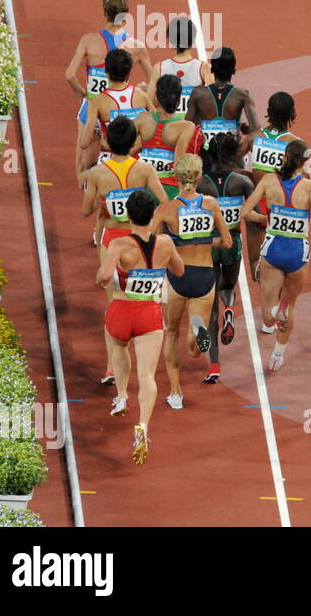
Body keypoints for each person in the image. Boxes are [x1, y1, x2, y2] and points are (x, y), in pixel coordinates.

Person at [94, 190, 185, 465]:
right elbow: (179, 271)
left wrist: (102, 278)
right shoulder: (166, 243)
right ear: (153, 214)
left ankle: (121, 396)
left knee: (119, 347)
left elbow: (104, 275)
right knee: (147, 374)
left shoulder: (120, 244)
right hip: (150, 313)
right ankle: (143, 426)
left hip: (122, 309)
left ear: (128, 215)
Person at [81, 116, 168, 386]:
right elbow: (164, 202)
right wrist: (151, 227)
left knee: (115, 302)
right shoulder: (144, 169)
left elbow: (86, 210)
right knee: (146, 297)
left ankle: (112, 367)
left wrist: (103, 199)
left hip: (112, 241)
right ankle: (147, 361)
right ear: (133, 143)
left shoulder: (97, 173)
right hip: (140, 241)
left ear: (107, 141)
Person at [151, 154, 232, 408]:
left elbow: (150, 244)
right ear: (199, 177)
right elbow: (228, 243)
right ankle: (198, 332)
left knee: (171, 333)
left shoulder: (165, 209)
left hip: (176, 277)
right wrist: (207, 241)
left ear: (175, 177)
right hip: (205, 277)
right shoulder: (211, 204)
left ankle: (175, 393)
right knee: (193, 349)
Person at [243, 140, 311, 372]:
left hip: (273, 249)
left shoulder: (269, 180)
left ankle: (273, 314)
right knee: (291, 306)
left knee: (269, 318)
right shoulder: (310, 187)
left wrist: (265, 219)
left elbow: (245, 213)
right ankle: (279, 353)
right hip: (298, 252)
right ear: (305, 161)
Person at [63, 0, 154, 173]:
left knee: (84, 167)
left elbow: (69, 75)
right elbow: (154, 81)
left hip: (92, 107)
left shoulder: (89, 40)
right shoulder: (136, 46)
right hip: (121, 111)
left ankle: (90, 197)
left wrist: (83, 94)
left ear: (104, 13)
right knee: (122, 161)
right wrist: (143, 89)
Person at [197, 133, 254, 384]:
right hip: (233, 242)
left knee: (209, 304)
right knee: (228, 286)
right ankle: (229, 307)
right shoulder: (242, 182)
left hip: (209, 243)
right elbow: (255, 214)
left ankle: (214, 365)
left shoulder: (201, 185)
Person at [239, 92, 304, 310]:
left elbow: (232, 166)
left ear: (269, 112)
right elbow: (304, 181)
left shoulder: (253, 138)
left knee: (258, 262)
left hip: (257, 208)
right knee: (284, 260)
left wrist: (250, 177)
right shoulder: (297, 145)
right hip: (283, 211)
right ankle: (277, 305)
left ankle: (266, 307)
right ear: (292, 113)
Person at [133, 74, 198, 200]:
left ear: (157, 97)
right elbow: (179, 163)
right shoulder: (186, 126)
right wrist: (182, 196)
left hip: (142, 186)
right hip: (169, 190)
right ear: (179, 99)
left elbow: (123, 146)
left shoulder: (142, 118)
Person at [185, 46, 257, 155]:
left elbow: (187, 128)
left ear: (212, 69)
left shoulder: (198, 93)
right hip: (232, 158)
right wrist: (246, 131)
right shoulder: (243, 95)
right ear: (233, 70)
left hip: (205, 158)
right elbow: (256, 131)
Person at [151, 16, 211, 115]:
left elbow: (151, 103)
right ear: (193, 40)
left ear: (170, 40)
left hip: (169, 126)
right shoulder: (204, 68)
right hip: (194, 126)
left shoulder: (160, 68)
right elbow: (214, 101)